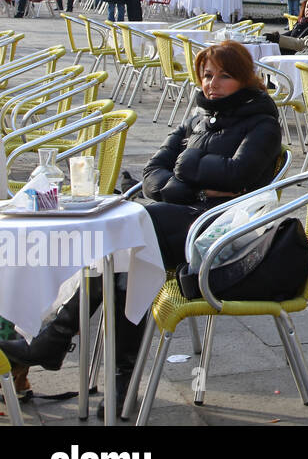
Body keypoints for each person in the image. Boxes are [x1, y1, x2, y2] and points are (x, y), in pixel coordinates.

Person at [0, 41, 283, 420]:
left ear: (245, 78)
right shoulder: (197, 116)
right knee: (127, 258)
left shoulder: (262, 123)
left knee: (131, 234)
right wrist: (192, 182)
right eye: (207, 75)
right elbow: (152, 172)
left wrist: (187, 166)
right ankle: (114, 381)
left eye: (224, 76)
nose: (212, 83)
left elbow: (238, 175)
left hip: (220, 230)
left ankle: (57, 339)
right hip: (177, 216)